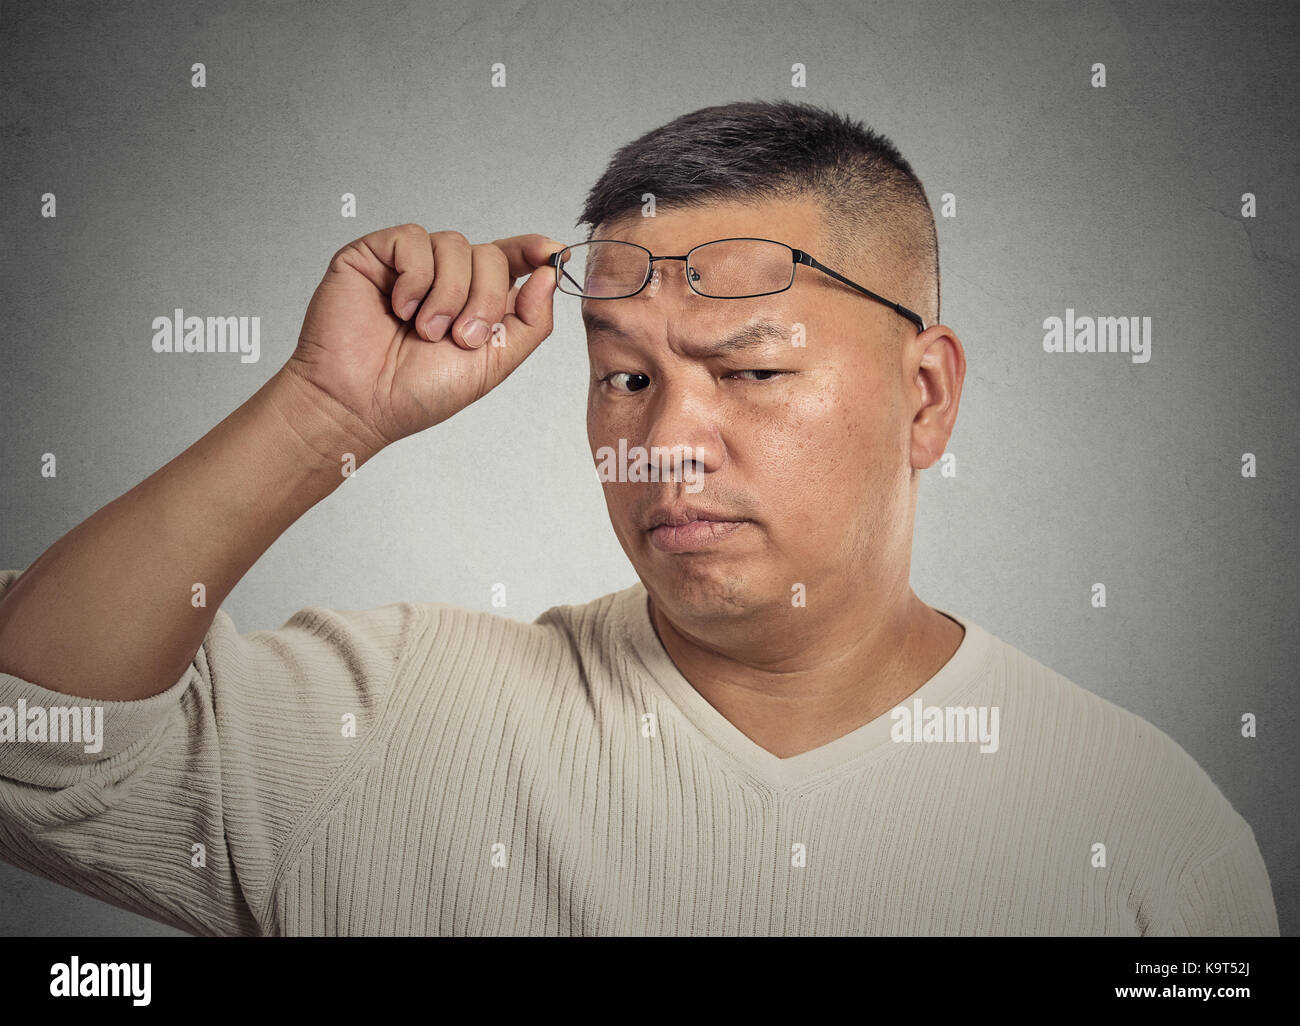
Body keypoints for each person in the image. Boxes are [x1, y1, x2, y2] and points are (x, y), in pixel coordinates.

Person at [0, 100, 1278, 936]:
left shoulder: (1140, 839)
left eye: (751, 370)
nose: (662, 439)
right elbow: (33, 735)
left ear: (924, 397)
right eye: (623, 376)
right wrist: (321, 414)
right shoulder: (381, 727)